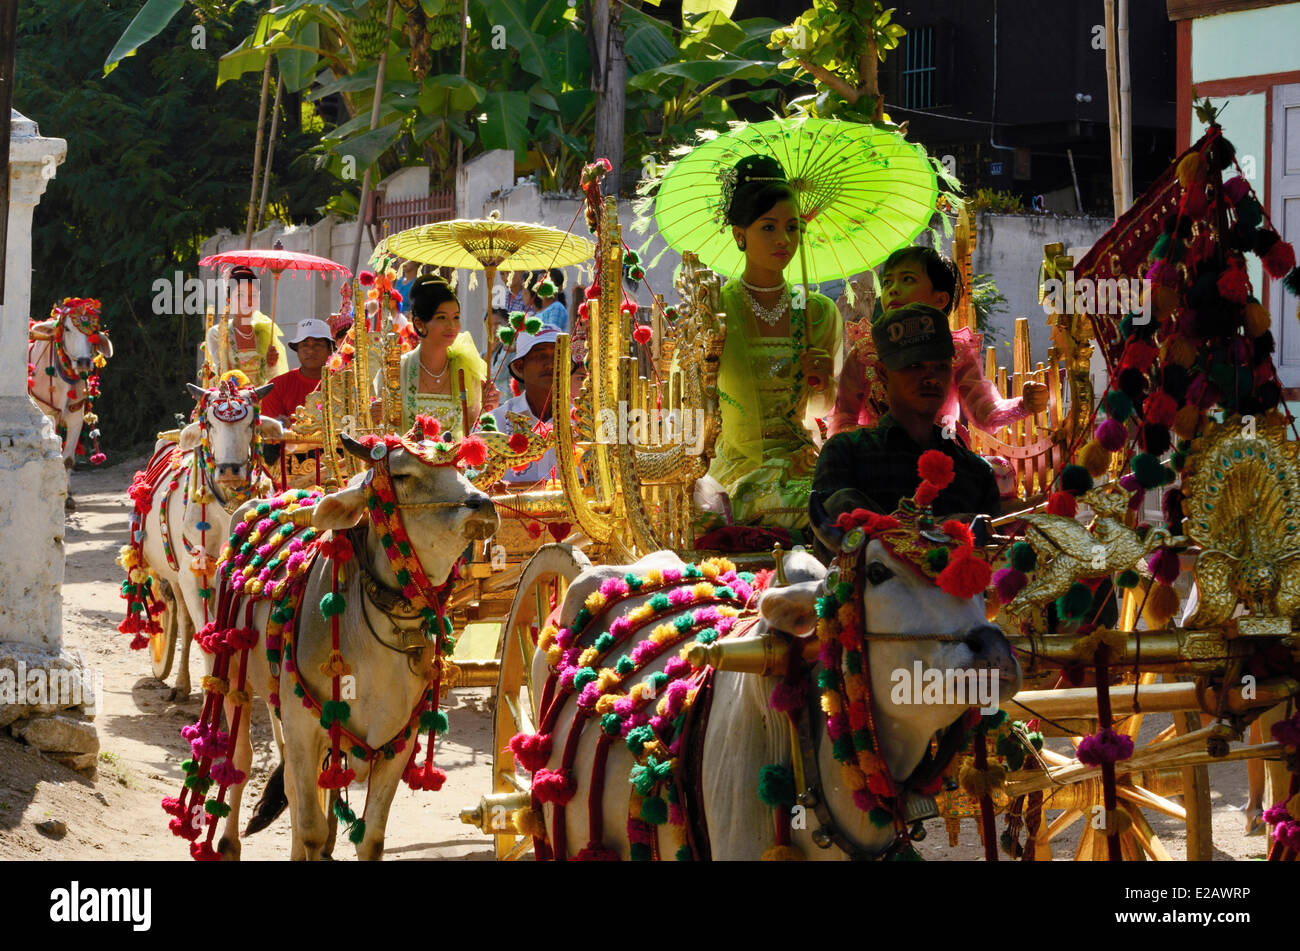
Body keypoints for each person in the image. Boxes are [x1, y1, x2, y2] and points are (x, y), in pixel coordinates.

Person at [701, 154, 842, 541]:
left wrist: (822, 379)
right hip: (739, 467)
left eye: (792, 227)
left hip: (800, 460)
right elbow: (695, 404)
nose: (784, 240)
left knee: (845, 500)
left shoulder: (817, 312)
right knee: (814, 510)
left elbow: (821, 408)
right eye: (768, 227)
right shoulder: (715, 310)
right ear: (739, 234)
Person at [811, 303, 1001, 533]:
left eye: (941, 366)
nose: (931, 377)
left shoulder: (975, 473)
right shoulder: (845, 455)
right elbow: (835, 538)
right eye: (914, 366)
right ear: (882, 373)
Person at [828, 246, 1048, 439]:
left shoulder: (955, 352)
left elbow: (984, 410)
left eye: (907, 279)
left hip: (940, 457)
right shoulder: (865, 352)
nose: (892, 289)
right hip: (874, 459)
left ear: (940, 299)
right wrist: (871, 439)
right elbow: (842, 418)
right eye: (887, 282)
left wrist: (1022, 405)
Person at [379, 276, 498, 436]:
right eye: (442, 317)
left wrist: (487, 407)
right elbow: (385, 432)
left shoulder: (466, 371)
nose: (452, 326)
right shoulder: (397, 371)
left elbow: (474, 432)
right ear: (419, 323)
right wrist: (378, 415)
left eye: (456, 317)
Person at [489, 327, 578, 483]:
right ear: (520, 367)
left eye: (557, 357)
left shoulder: (580, 422)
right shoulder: (496, 422)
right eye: (541, 356)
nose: (550, 365)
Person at [203, 265, 286, 386]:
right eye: (240, 295)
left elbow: (270, 378)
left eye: (253, 295)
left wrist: (271, 364)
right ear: (229, 300)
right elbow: (223, 374)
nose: (248, 301)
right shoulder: (218, 333)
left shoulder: (263, 333)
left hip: (261, 397)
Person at [261, 318, 333, 423]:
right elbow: (270, 430)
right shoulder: (276, 387)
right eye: (305, 345)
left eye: (317, 345)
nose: (310, 351)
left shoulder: (344, 383)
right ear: (297, 350)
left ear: (330, 350)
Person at [525, 269, 569, 333]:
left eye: (546, 282)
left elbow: (552, 333)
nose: (541, 286)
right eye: (539, 283)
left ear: (559, 288)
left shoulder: (556, 307)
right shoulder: (537, 311)